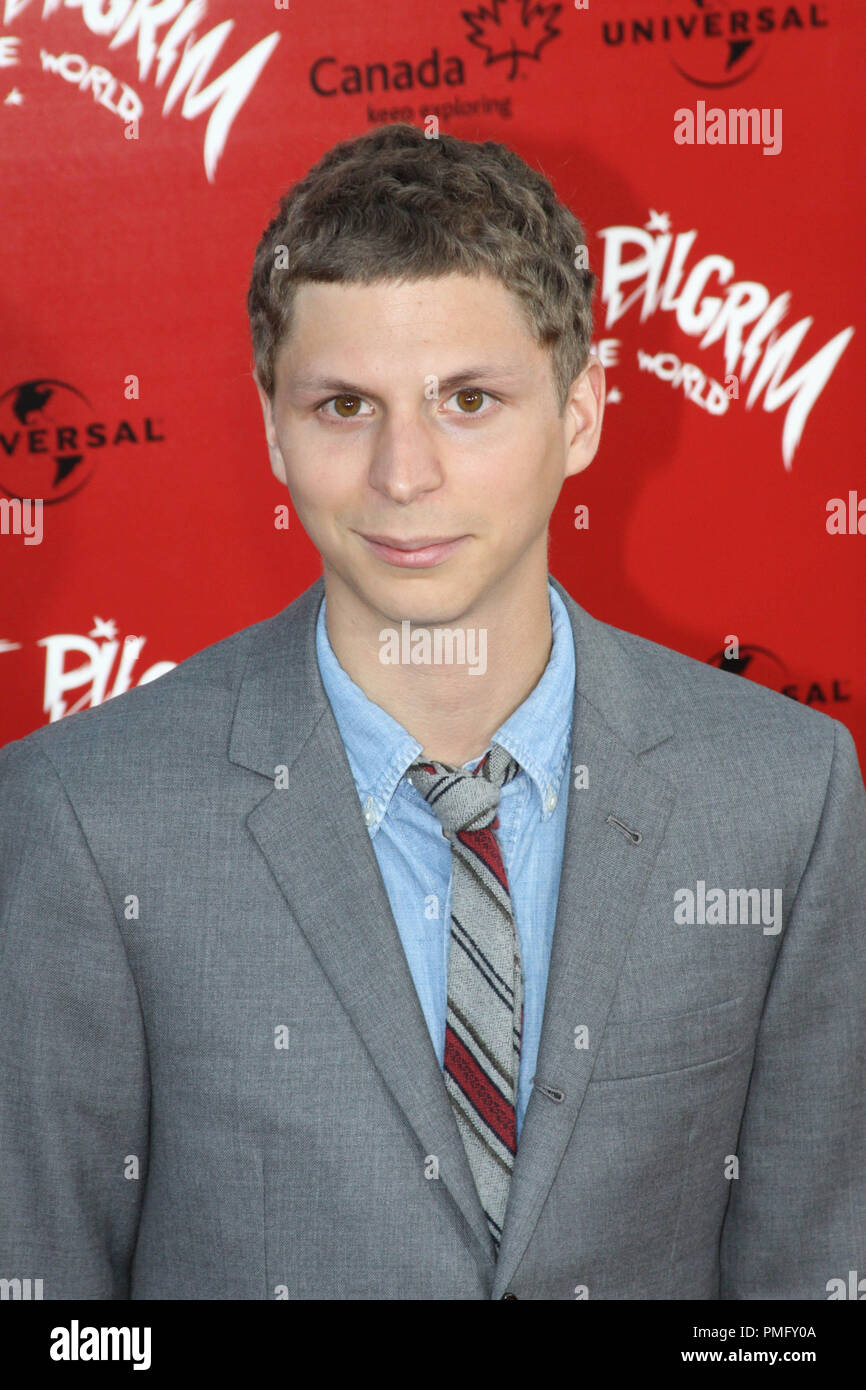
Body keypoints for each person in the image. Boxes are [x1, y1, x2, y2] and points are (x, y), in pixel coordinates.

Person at [1, 123, 864, 1301]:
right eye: (344, 405)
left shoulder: (782, 792)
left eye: (468, 399)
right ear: (269, 424)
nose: (403, 474)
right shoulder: (87, 814)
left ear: (583, 413)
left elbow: (808, 1285)